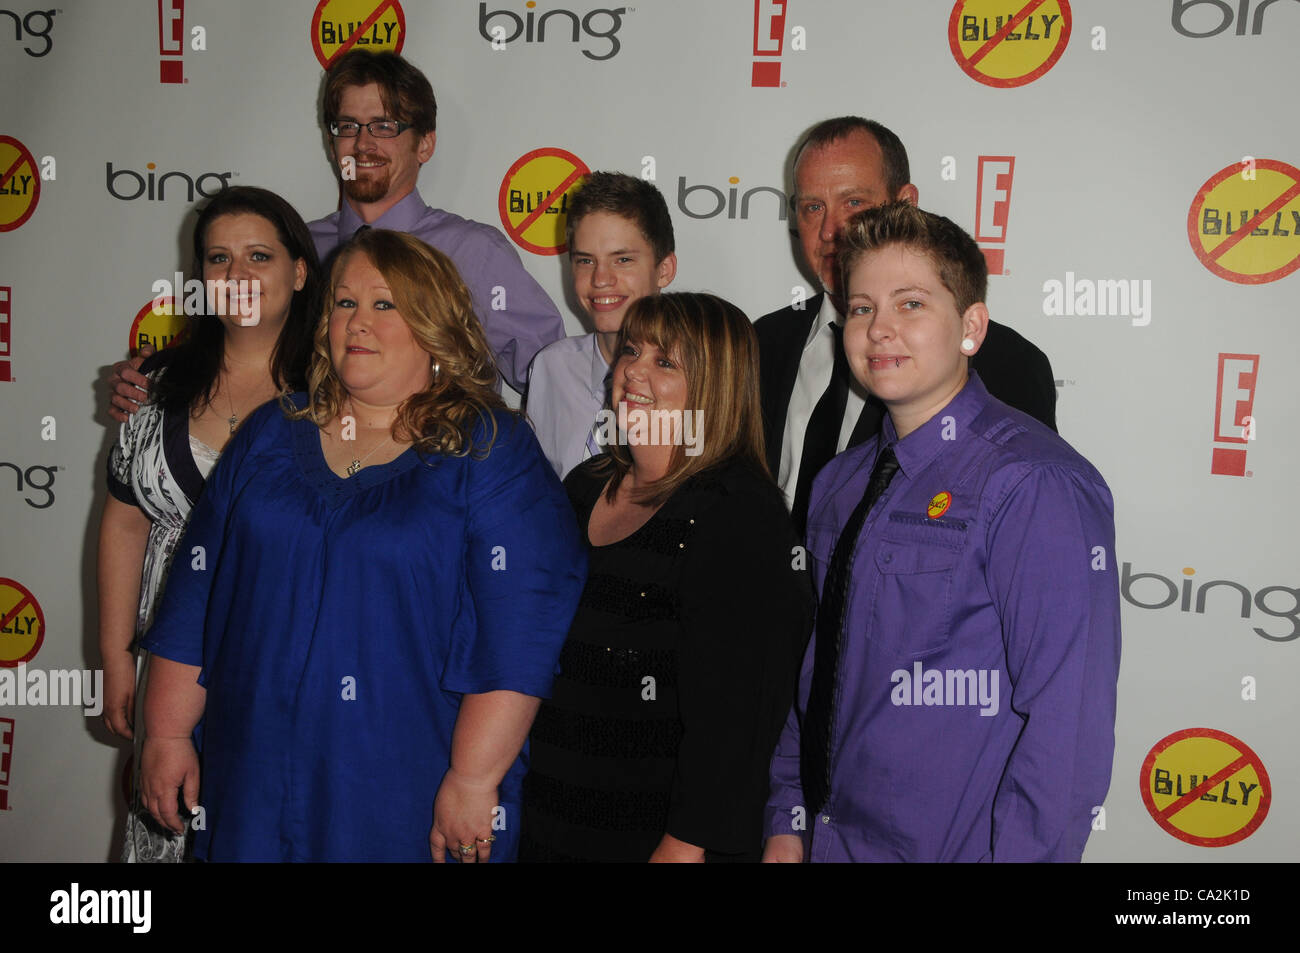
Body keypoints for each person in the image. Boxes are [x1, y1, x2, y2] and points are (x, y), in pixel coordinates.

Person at [138, 228, 585, 862]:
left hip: (408, 783)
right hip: (252, 777)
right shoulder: (272, 431)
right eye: (344, 303)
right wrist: (166, 732)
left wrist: (473, 778)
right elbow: (195, 597)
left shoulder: (489, 448)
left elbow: (519, 635)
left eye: (385, 304)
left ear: (434, 324)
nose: (358, 322)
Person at [763, 203, 1120, 863]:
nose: (880, 330)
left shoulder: (1036, 485)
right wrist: (786, 812)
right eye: (862, 308)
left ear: (971, 327)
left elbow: (1066, 736)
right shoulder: (839, 483)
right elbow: (817, 662)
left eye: (911, 304)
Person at [107, 50, 563, 419]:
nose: (363, 144)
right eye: (347, 127)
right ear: (332, 143)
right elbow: (229, 357)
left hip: (443, 491)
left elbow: (558, 382)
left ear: (425, 143)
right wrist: (156, 380)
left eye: (385, 126)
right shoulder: (291, 252)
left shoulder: (474, 252)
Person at [520, 292, 813, 863]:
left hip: (660, 841)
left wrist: (685, 843)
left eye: (666, 361)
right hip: (548, 820)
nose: (633, 371)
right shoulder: (584, 486)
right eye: (631, 350)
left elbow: (738, 718)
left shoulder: (739, 513)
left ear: (716, 386)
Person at [97, 185, 321, 862]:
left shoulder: (341, 388)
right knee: (166, 822)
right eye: (218, 259)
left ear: (299, 270)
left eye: (259, 255)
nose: (238, 276)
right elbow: (126, 523)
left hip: (289, 661)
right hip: (163, 660)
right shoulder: (153, 383)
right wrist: (114, 657)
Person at [754, 117, 1057, 534]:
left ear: (906, 203)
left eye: (854, 203)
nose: (830, 231)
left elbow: (1022, 528)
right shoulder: (762, 343)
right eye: (812, 207)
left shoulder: (1006, 363)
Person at [525, 171, 677, 478]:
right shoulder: (550, 368)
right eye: (585, 260)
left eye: (622, 260)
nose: (601, 279)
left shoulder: (700, 376)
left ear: (664, 270)